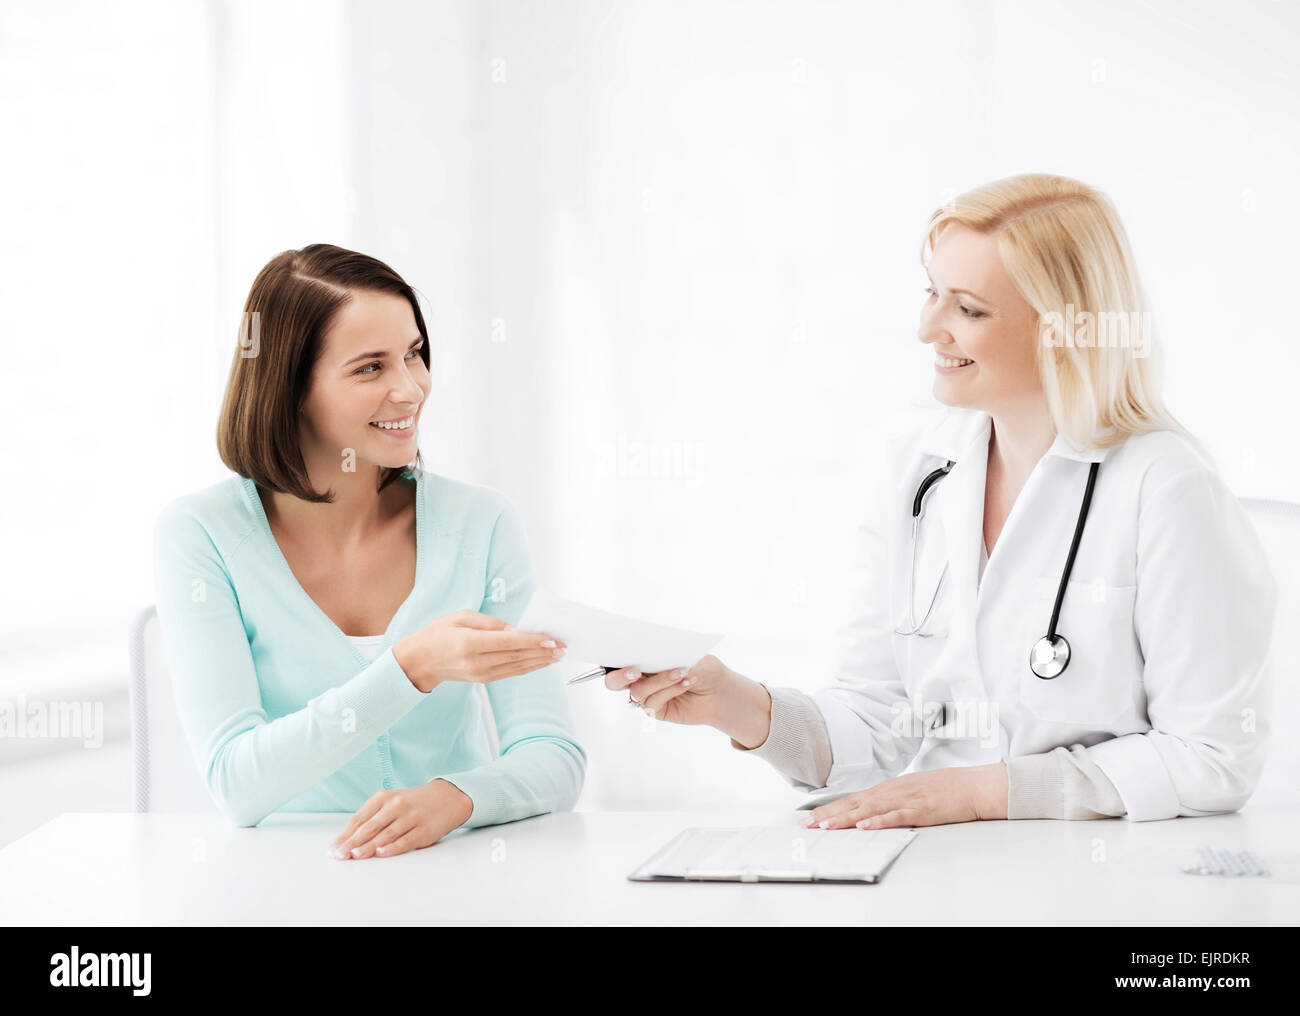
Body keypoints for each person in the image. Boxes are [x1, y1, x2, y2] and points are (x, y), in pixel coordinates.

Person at [604, 173, 1277, 827]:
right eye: (932, 293)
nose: (929, 328)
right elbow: (876, 721)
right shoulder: (917, 466)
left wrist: (986, 792)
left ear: (1064, 329)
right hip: (951, 872)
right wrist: (739, 706)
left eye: (968, 308)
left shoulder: (1165, 484)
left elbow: (1214, 757)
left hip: (1104, 883)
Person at [153, 244, 585, 857]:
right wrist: (410, 668)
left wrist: (453, 798)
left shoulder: (481, 522)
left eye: (414, 355)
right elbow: (236, 783)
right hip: (283, 882)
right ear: (291, 386)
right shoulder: (202, 533)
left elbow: (553, 754)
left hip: (455, 873)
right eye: (369, 368)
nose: (410, 390)